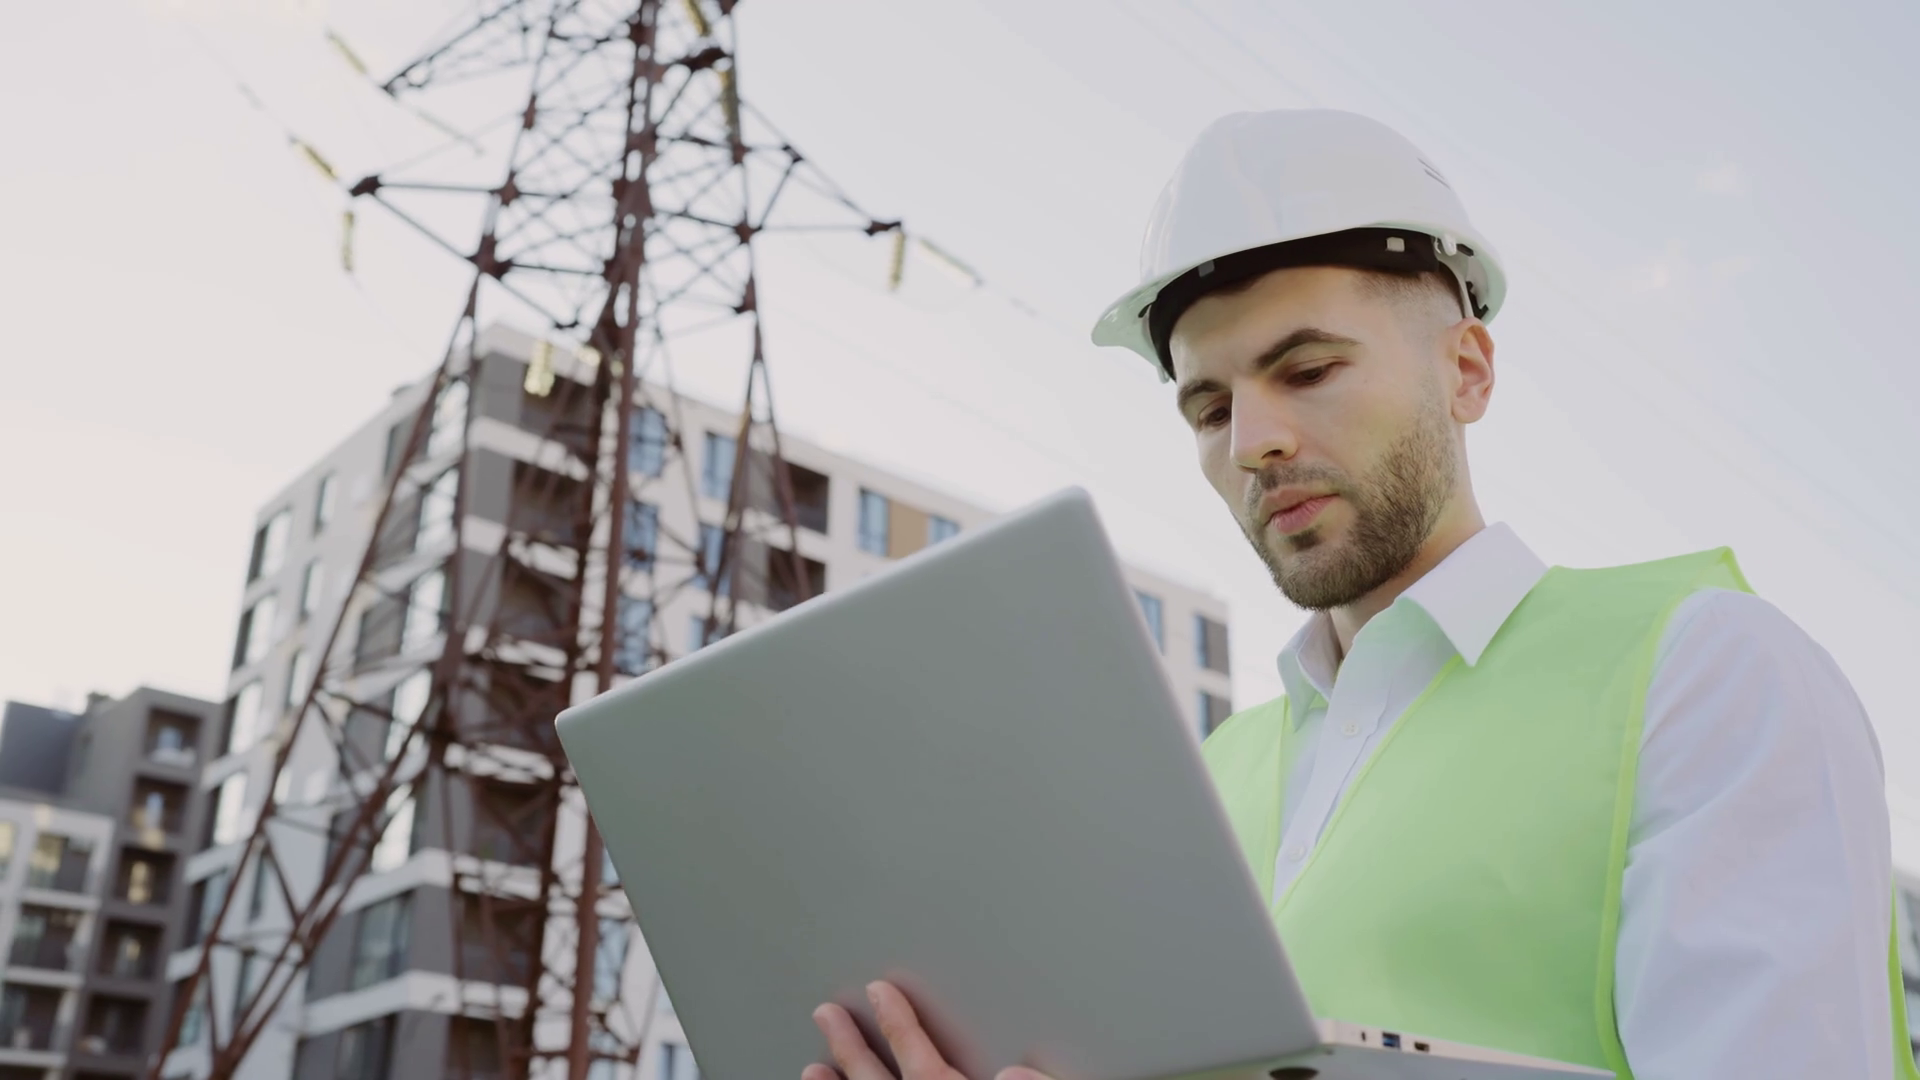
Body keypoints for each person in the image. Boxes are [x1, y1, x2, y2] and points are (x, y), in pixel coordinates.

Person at [803, 110, 1913, 1080]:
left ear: (1467, 370)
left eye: (1308, 369)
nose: (1255, 441)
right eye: (1206, 408)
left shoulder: (1703, 673)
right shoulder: (1208, 780)